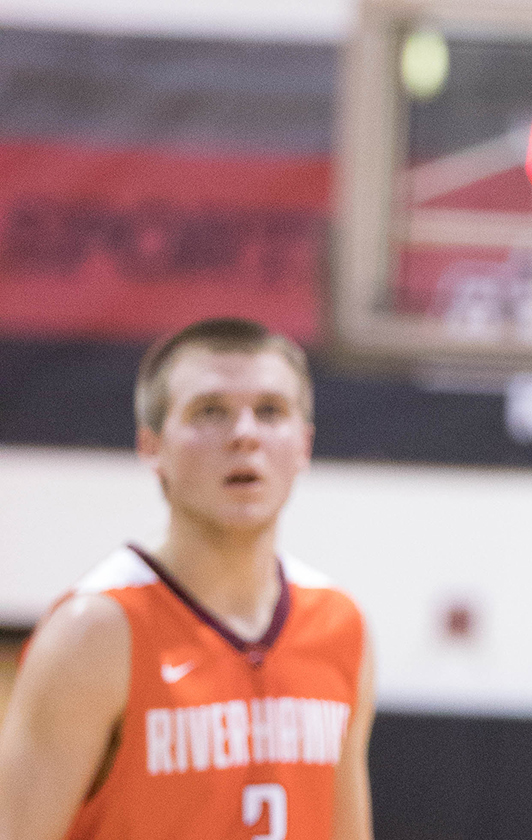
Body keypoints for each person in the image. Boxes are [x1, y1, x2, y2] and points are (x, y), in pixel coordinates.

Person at [0, 318, 374, 840]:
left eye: (271, 411)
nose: (245, 434)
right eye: (210, 411)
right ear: (152, 447)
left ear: (305, 445)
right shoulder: (92, 634)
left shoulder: (341, 625)